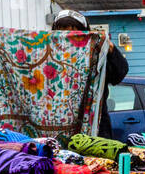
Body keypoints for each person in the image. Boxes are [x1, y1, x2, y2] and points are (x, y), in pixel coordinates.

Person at [51, 9, 128, 138]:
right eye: (62, 31)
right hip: (56, 127)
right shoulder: (47, 55)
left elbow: (118, 75)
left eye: (73, 32)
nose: (67, 36)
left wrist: (110, 49)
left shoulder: (96, 53)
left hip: (95, 127)